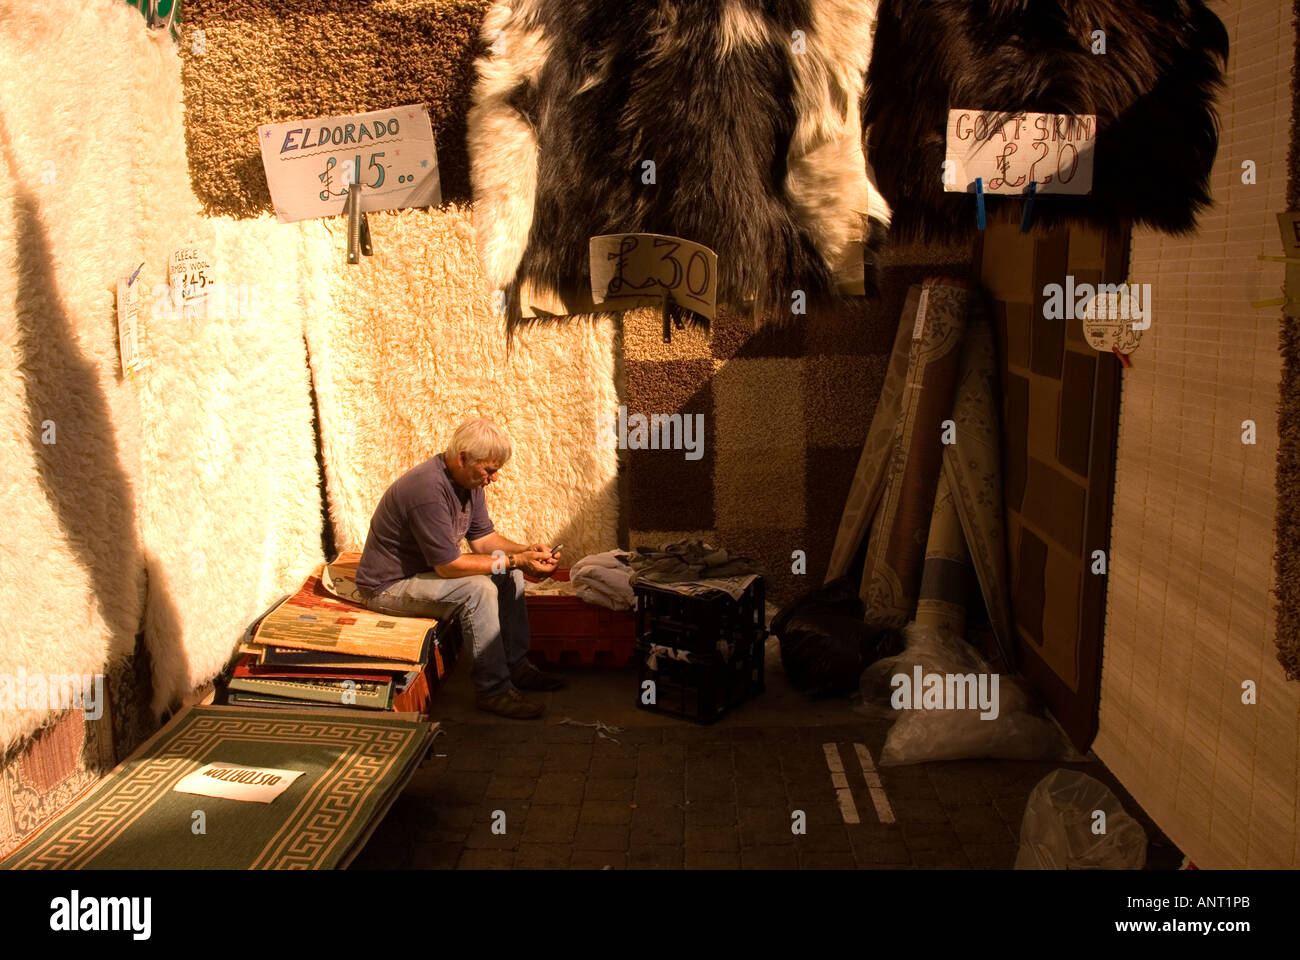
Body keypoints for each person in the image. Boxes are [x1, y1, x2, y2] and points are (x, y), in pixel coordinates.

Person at [354, 417, 564, 719]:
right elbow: (449, 567)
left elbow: (483, 540)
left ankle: (517, 667)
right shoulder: (426, 490)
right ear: (464, 458)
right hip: (388, 585)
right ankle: (493, 691)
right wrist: (516, 559)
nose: (494, 478)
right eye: (490, 470)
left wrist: (526, 551)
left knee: (509, 573)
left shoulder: (469, 481)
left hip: (425, 571)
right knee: (477, 589)